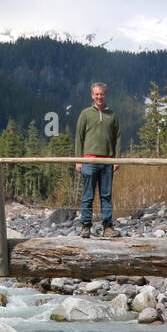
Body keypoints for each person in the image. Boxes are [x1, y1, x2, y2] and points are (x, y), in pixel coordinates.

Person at [75, 82, 120, 237]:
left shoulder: (112, 115)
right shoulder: (85, 114)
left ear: (105, 95)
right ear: (92, 95)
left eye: (101, 94)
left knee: (106, 196)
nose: (99, 97)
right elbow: (79, 138)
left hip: (107, 162)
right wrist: (78, 160)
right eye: (96, 94)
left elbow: (117, 139)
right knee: (88, 196)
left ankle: (107, 227)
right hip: (89, 161)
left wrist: (116, 159)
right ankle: (86, 226)